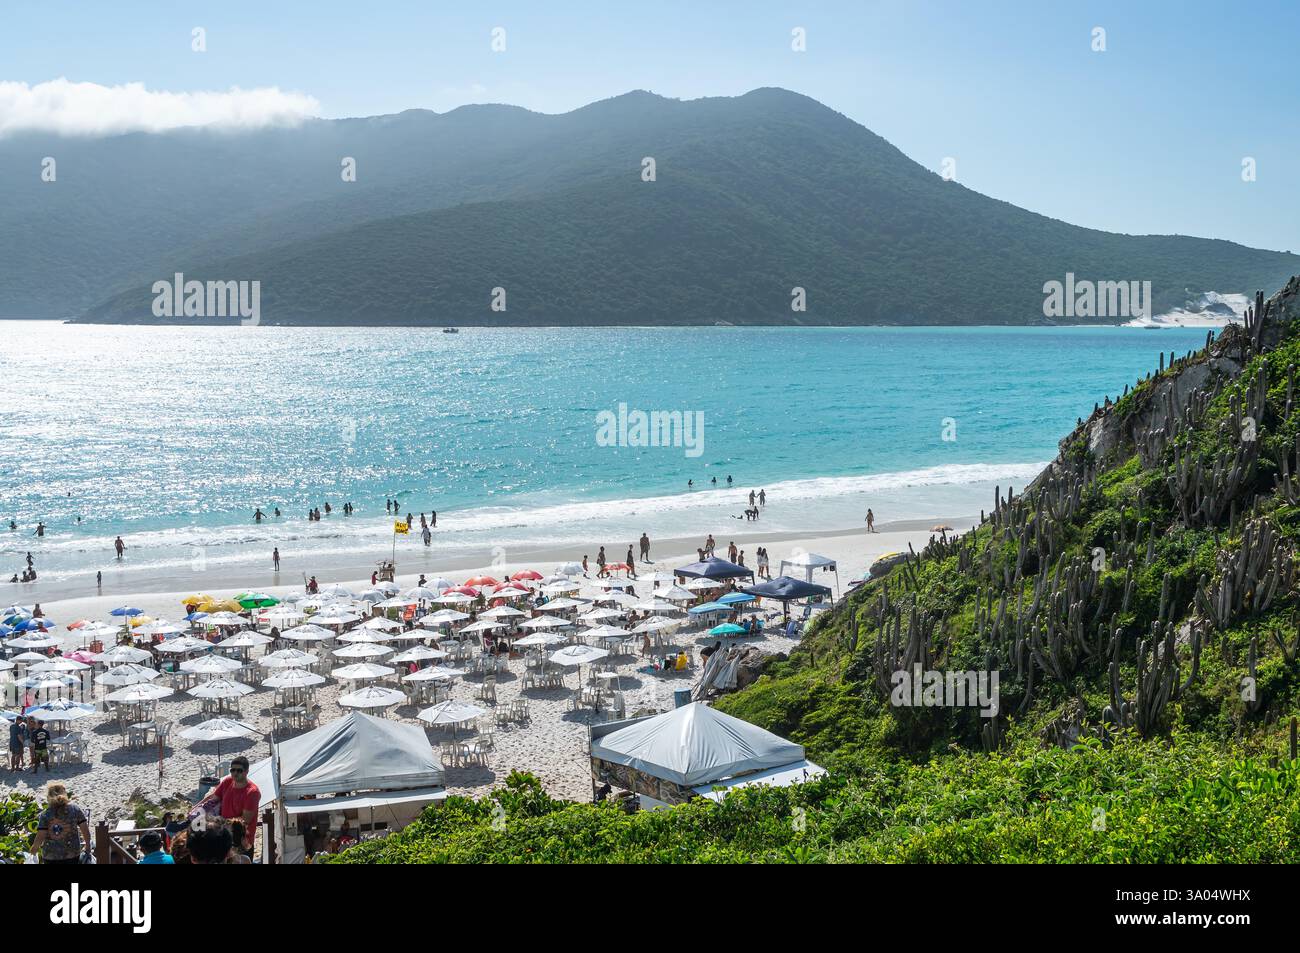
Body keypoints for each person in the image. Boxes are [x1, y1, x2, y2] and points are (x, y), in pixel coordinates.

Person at [199, 756, 261, 858]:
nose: (235, 773)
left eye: (239, 770)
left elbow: (245, 820)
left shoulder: (252, 792)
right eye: (232, 770)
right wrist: (196, 808)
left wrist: (219, 822)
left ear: (246, 771)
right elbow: (213, 798)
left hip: (241, 841)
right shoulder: (227, 781)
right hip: (224, 837)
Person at [32, 782, 90, 865]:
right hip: (72, 853)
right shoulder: (75, 809)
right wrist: (87, 845)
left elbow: (41, 835)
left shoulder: (45, 814)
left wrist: (34, 848)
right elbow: (85, 829)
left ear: (48, 797)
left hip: (51, 855)